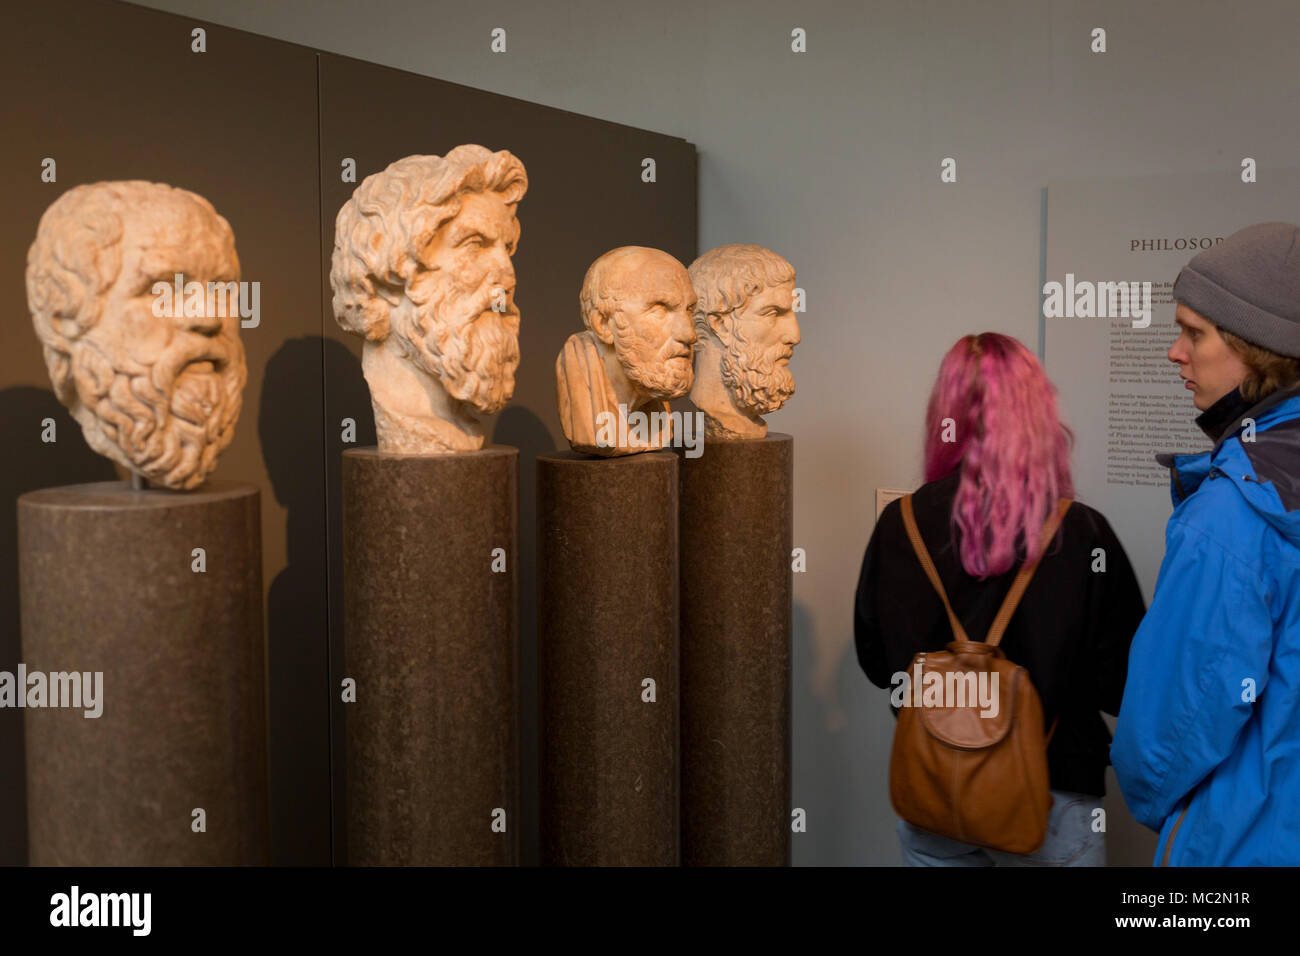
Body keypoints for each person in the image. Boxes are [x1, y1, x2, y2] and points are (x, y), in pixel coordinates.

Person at [855, 331, 1145, 865]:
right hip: (1054, 795)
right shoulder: (1083, 534)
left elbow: (878, 666)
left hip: (936, 790)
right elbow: (1122, 685)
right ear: (1037, 415)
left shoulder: (901, 526)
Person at [1110, 222, 1300, 866]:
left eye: (1194, 332)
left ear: (1259, 350)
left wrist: (1151, 797)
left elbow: (1169, 729)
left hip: (1243, 844)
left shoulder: (1231, 514)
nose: (1174, 352)